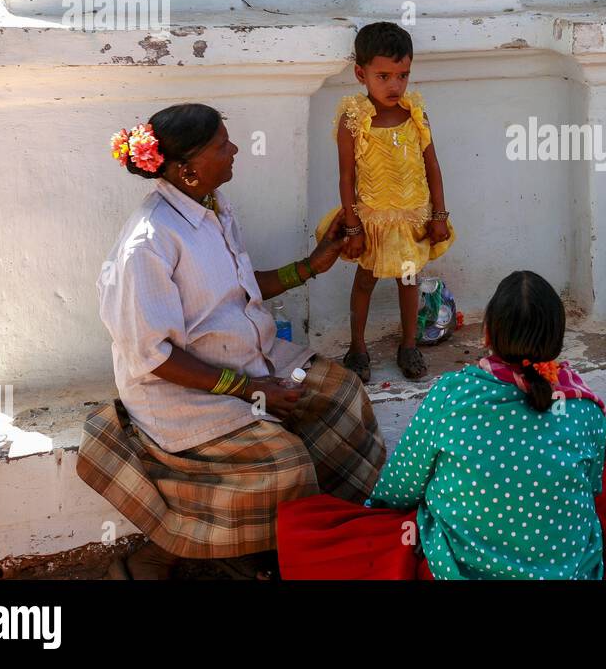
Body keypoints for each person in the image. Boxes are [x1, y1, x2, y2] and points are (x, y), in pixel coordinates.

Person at [77, 103, 386, 580]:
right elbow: (153, 356)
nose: (235, 149)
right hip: (181, 394)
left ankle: (345, 528)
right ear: (188, 169)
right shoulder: (148, 244)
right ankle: (239, 556)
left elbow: (236, 289)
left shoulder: (212, 206)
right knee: (284, 463)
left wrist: (310, 265)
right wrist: (252, 391)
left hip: (249, 360)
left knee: (341, 394)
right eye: (223, 144)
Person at [276, 270, 606, 580]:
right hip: (566, 570)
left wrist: (375, 511)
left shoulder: (452, 394)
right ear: (557, 341)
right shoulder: (585, 408)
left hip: (460, 568)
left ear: (488, 335)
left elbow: (401, 487)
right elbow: (593, 488)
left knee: (311, 529)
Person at [317, 21, 455, 381]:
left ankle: (408, 344)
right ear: (361, 74)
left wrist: (439, 214)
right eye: (383, 76)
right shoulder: (353, 120)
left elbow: (432, 166)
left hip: (412, 218)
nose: (395, 85)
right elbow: (346, 177)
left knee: (408, 280)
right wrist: (352, 225)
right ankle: (357, 348)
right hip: (371, 221)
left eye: (402, 75)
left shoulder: (415, 114)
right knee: (365, 280)